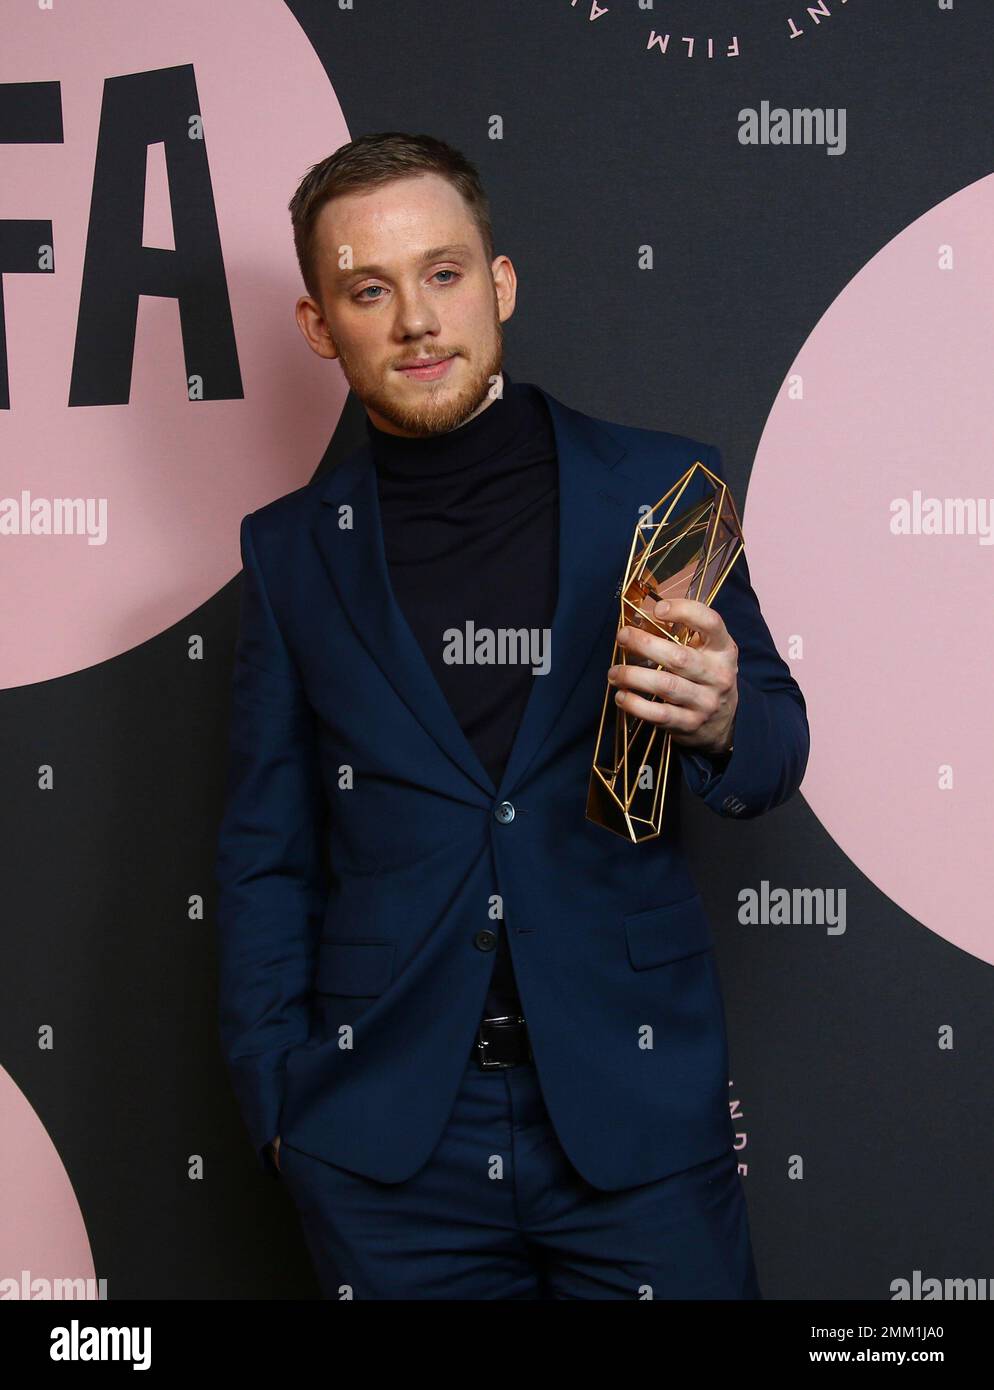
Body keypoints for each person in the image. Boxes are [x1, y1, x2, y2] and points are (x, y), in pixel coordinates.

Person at [214, 131, 809, 1300]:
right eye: (367, 289)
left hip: (634, 1124)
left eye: (442, 274)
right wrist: (284, 1110)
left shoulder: (659, 491)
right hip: (388, 1152)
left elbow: (774, 752)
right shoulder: (290, 556)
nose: (416, 321)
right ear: (318, 326)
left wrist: (724, 714)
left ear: (500, 284)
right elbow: (263, 859)